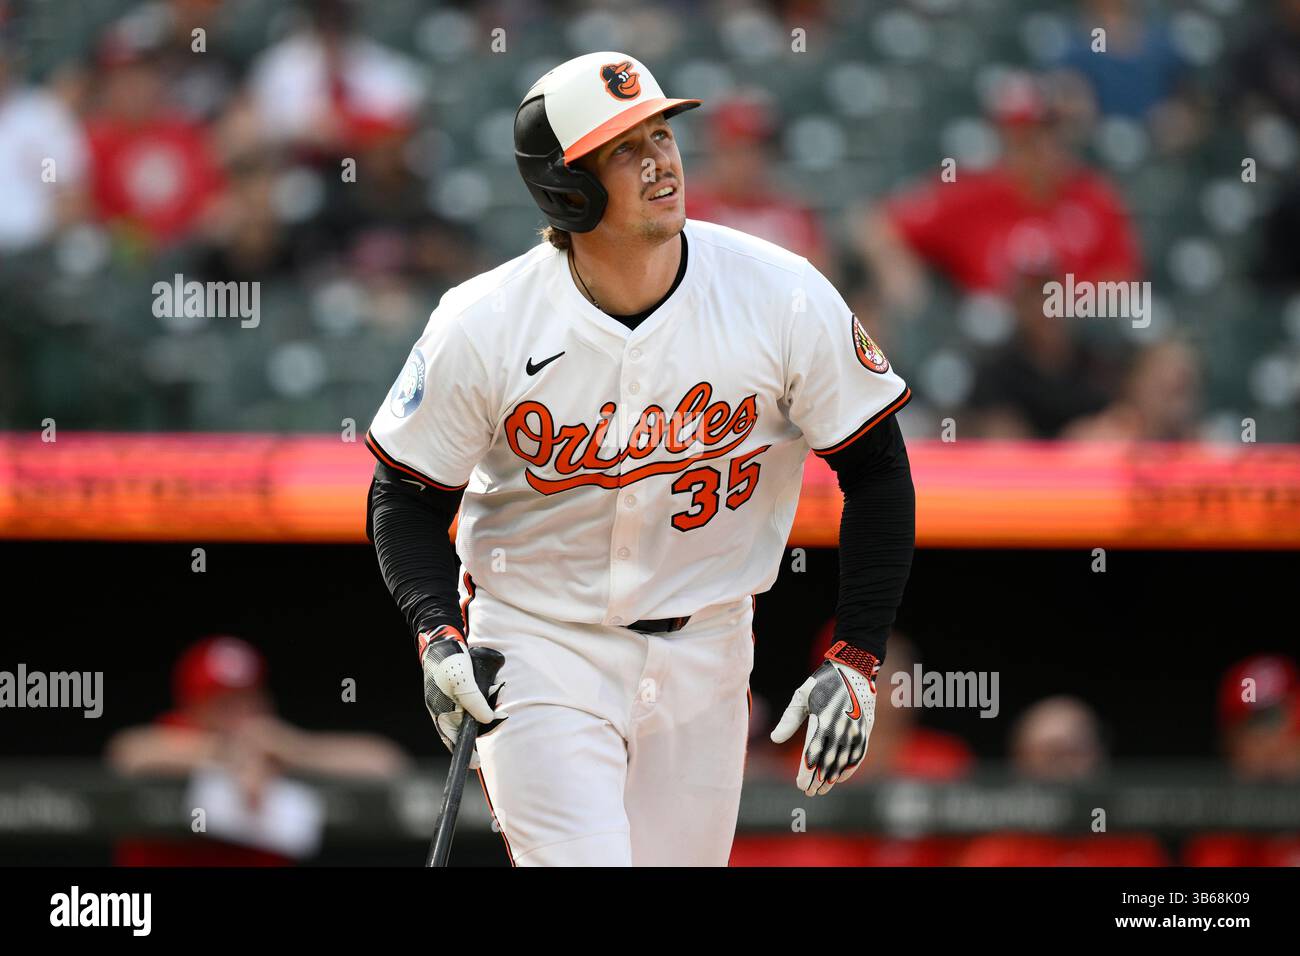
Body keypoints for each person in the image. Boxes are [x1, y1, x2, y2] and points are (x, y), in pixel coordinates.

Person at [365, 52, 916, 866]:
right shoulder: (482, 323)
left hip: (710, 646)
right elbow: (404, 495)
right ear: (566, 186)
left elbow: (878, 470)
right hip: (539, 644)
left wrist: (859, 656)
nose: (661, 159)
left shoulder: (780, 295)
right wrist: (437, 632)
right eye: (625, 147)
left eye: (662, 133)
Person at [107, 635, 408, 866]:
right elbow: (128, 753)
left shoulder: (276, 747)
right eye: (223, 704)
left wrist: (296, 751)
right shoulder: (178, 736)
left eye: (248, 700)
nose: (240, 714)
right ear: (193, 707)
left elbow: (386, 762)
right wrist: (228, 755)